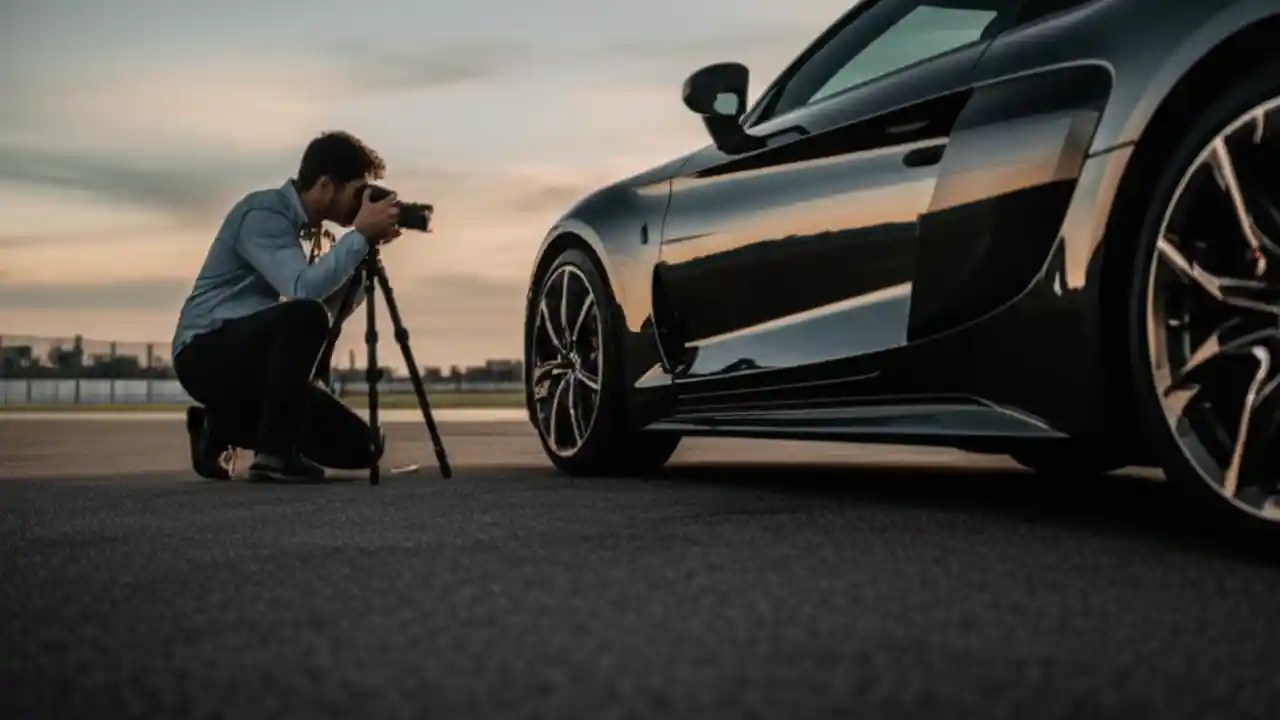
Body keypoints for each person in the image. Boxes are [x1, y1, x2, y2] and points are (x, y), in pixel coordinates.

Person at [171, 131, 403, 483]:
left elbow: (325, 310)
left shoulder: (314, 233)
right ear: (325, 185)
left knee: (363, 446)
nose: (361, 205)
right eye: (357, 193)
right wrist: (357, 237)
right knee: (305, 315)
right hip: (207, 350)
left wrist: (360, 257)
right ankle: (273, 455)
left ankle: (218, 426)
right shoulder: (263, 213)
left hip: (263, 363)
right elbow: (304, 293)